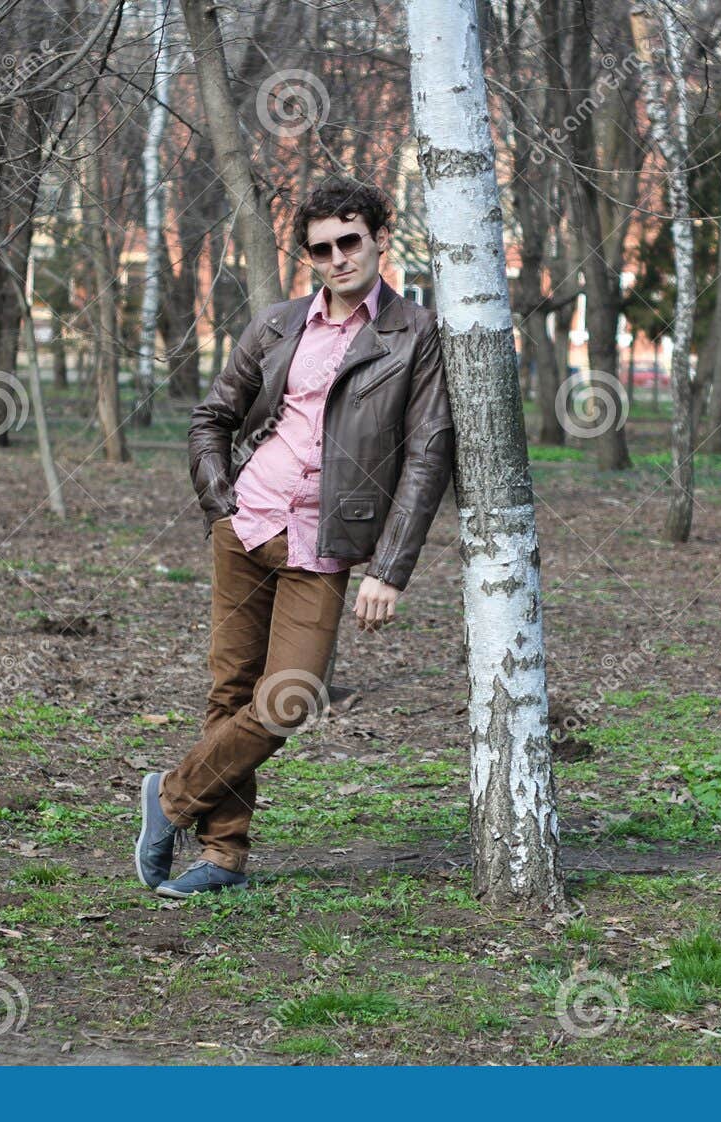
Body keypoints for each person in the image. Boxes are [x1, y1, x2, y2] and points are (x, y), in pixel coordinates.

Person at [134, 175, 456, 898]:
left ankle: (170, 799)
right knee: (232, 690)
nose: (339, 258)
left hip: (329, 539)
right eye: (322, 249)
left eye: (351, 241)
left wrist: (391, 569)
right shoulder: (278, 325)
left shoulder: (413, 334)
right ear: (308, 257)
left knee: (289, 695)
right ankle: (221, 856)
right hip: (247, 524)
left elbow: (429, 451)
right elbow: (212, 417)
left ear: (379, 238)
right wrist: (220, 500)